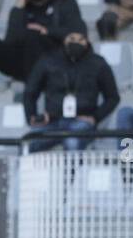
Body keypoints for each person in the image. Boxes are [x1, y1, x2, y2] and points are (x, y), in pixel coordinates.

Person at [24, 23, 119, 151]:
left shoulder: (98, 63)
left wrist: (95, 117)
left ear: (87, 41)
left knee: (72, 141)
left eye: (81, 39)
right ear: (64, 40)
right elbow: (30, 91)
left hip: (82, 122)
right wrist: (32, 116)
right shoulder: (48, 60)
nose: (76, 43)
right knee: (27, 144)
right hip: (52, 120)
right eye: (72, 39)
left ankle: (73, 172)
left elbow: (113, 97)